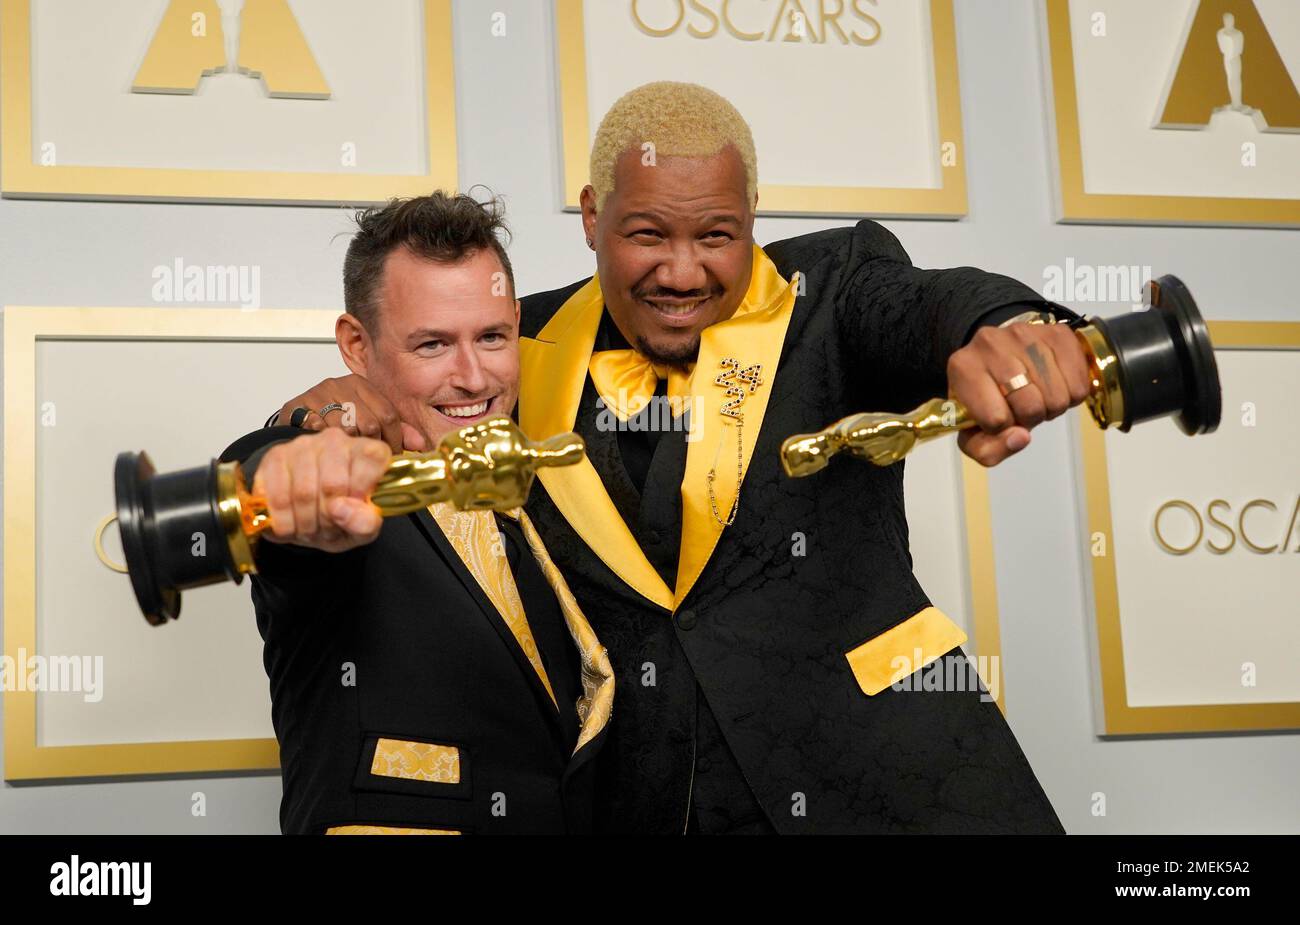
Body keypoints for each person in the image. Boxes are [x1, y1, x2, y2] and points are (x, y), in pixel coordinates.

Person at [275, 82, 1086, 834]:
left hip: (908, 786)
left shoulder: (834, 289)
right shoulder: (512, 348)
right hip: (652, 809)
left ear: (754, 216)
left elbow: (937, 306)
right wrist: (333, 403)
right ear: (592, 216)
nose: (683, 270)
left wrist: (1015, 328)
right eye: (647, 234)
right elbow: (393, 390)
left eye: (717, 235)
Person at [222, 192, 612, 834]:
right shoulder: (345, 490)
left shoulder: (544, 479)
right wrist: (292, 439)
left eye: (492, 336)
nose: (472, 376)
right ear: (356, 345)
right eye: (431, 345)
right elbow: (267, 483)